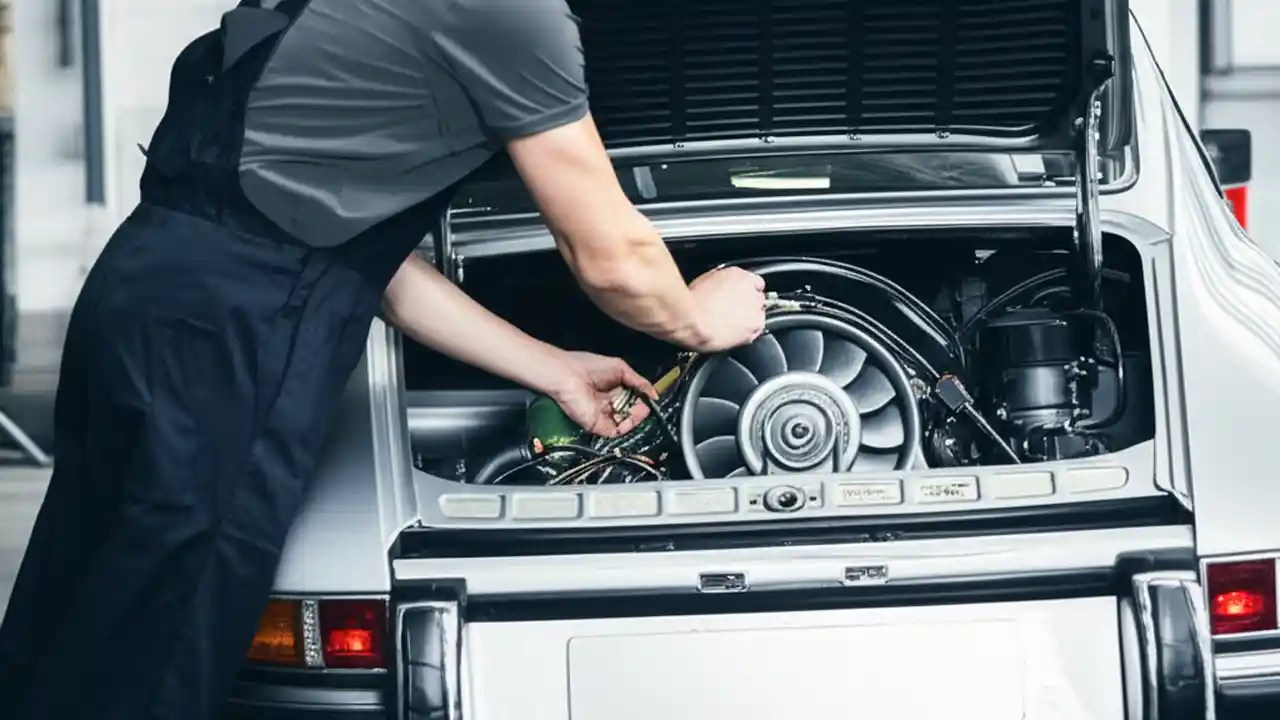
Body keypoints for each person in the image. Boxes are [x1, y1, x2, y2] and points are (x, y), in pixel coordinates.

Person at [0, 1, 766, 717]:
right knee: (161, 643)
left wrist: (554, 369)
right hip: (229, 339)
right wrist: (700, 318)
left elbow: (369, 268)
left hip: (152, 299)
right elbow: (610, 258)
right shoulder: (508, 13)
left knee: (84, 603)